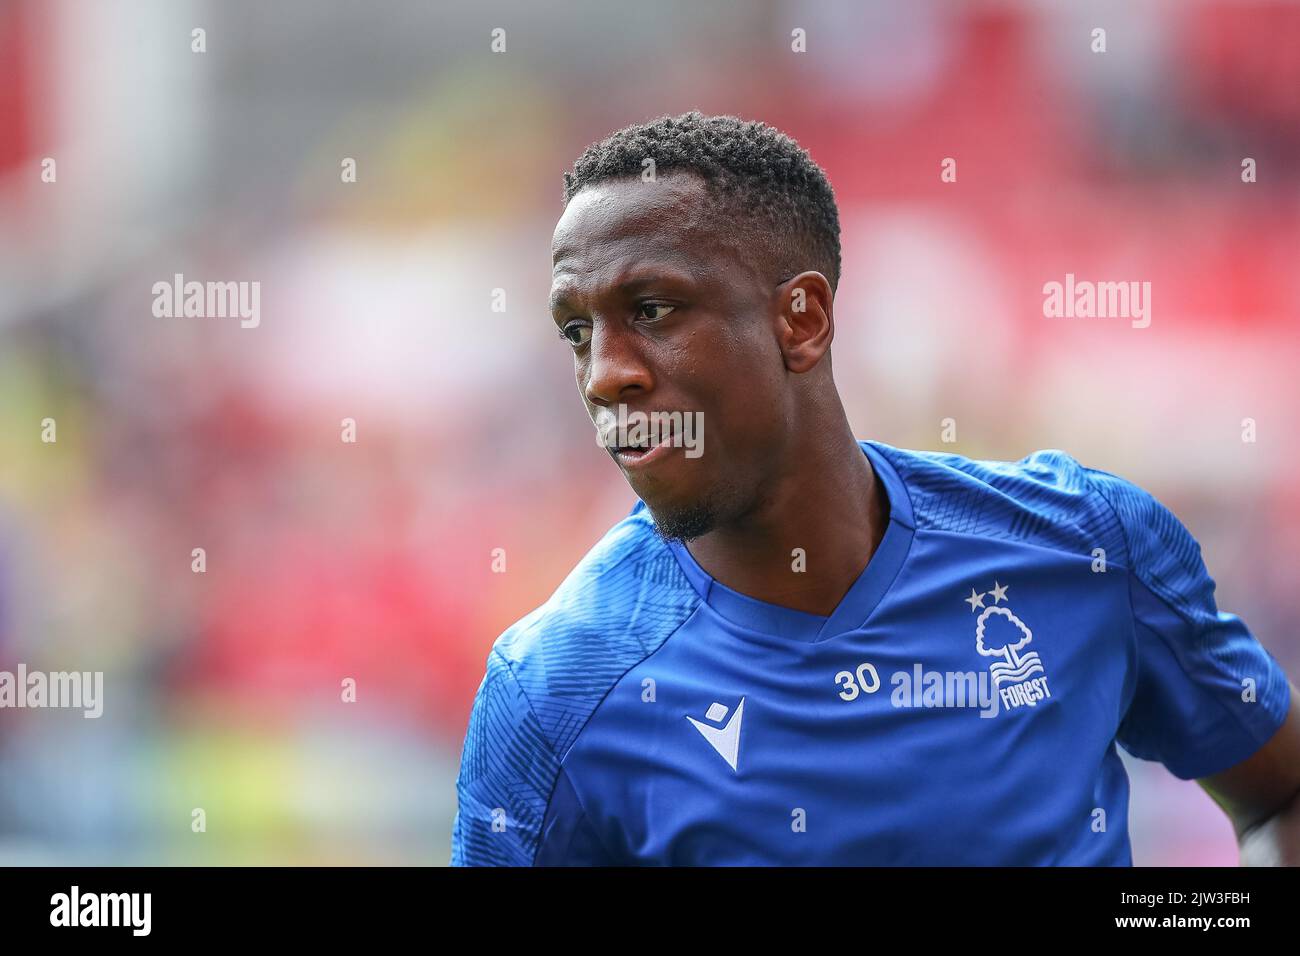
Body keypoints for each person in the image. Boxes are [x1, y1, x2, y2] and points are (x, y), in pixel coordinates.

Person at [451, 111, 1299, 866]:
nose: (605, 375)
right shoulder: (553, 690)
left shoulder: (1082, 548)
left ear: (802, 320)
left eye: (655, 311)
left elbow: (1282, 794)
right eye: (576, 331)